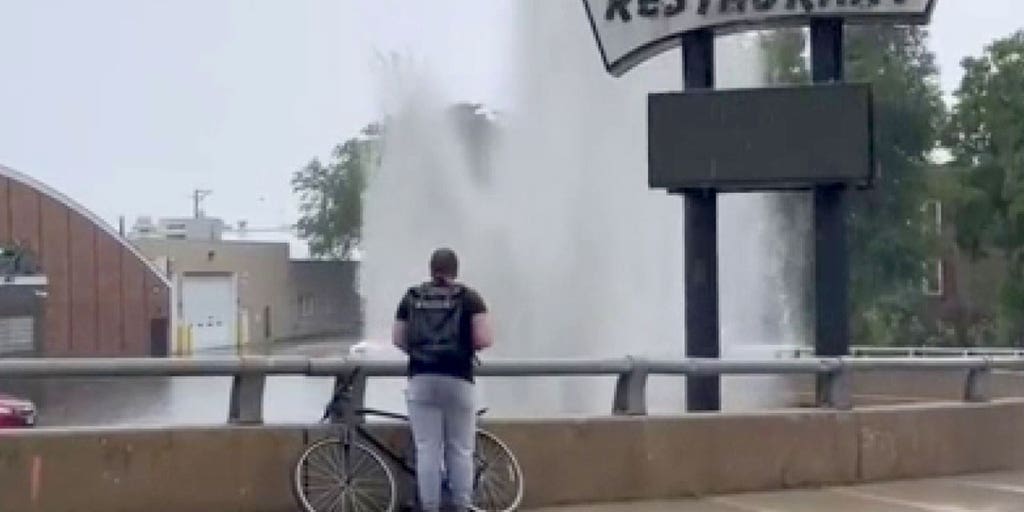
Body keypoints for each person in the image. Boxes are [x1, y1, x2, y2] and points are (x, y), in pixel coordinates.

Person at [393, 248, 493, 512]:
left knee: (427, 449)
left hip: (421, 378)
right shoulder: (470, 298)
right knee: (460, 449)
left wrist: (421, 355)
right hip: (458, 378)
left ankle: (430, 506)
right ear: (455, 270)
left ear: (431, 269)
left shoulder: (412, 297)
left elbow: (398, 338)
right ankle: (461, 505)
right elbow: (483, 339)